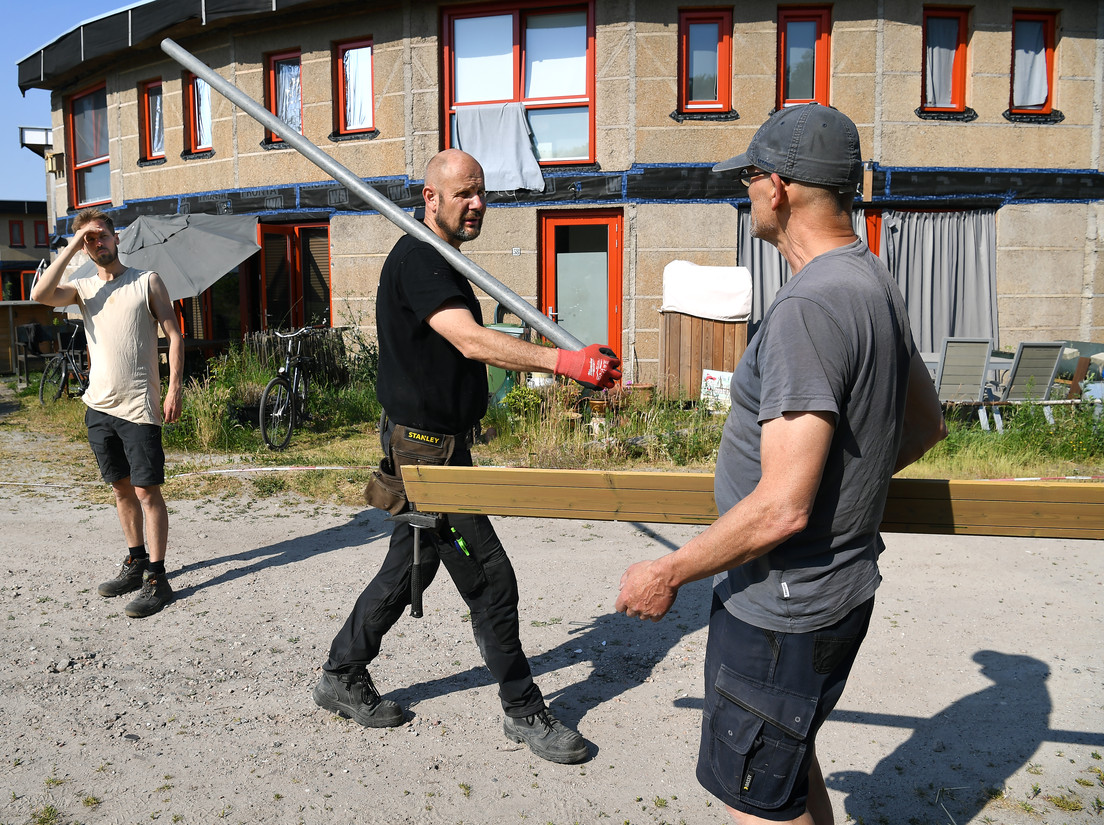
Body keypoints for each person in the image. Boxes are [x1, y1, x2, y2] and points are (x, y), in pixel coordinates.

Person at [615, 104, 947, 824]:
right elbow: (926, 423)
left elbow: (781, 507)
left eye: (750, 179)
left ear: (781, 188)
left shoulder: (810, 307)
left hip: (782, 609)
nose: (746, 194)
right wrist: (844, 488)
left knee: (758, 806)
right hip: (836, 590)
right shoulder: (874, 283)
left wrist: (665, 571)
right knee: (786, 773)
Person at [313, 149, 622, 764]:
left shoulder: (439, 257)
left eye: (482, 193)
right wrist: (564, 362)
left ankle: (342, 673)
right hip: (426, 455)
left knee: (414, 566)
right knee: (489, 579)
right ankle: (523, 710)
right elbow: (468, 339)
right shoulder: (421, 256)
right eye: (463, 194)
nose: (477, 203)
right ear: (430, 197)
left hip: (437, 445)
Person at [32, 208, 185, 619]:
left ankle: (157, 577)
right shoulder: (81, 287)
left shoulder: (146, 281)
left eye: (101, 235)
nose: (97, 244)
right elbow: (40, 295)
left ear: (116, 238)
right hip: (98, 406)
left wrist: (173, 388)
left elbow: (174, 334)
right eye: (89, 239)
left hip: (138, 407)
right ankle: (135, 562)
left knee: (146, 491)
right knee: (120, 489)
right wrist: (70, 245)